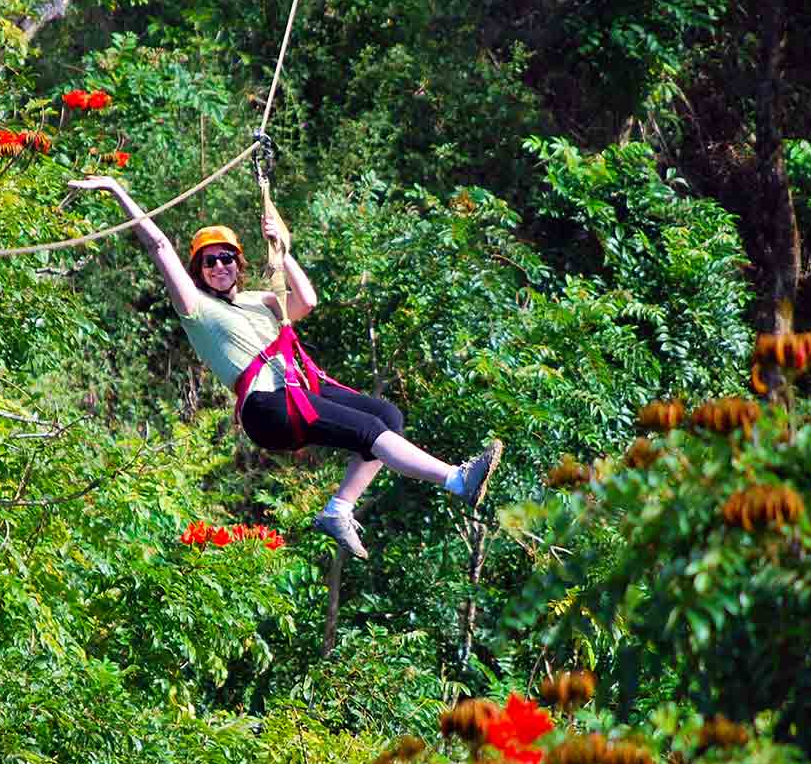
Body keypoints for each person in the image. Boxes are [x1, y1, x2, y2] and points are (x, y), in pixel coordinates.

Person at [68, 174, 502, 559]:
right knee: (371, 433)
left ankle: (339, 510)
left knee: (387, 416)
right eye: (209, 261)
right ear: (198, 270)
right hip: (267, 406)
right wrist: (117, 189)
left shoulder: (262, 300)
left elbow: (306, 302)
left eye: (227, 258)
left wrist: (283, 249)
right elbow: (158, 245)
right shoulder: (195, 308)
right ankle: (457, 481)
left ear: (239, 262)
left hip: (295, 389)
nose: (220, 266)